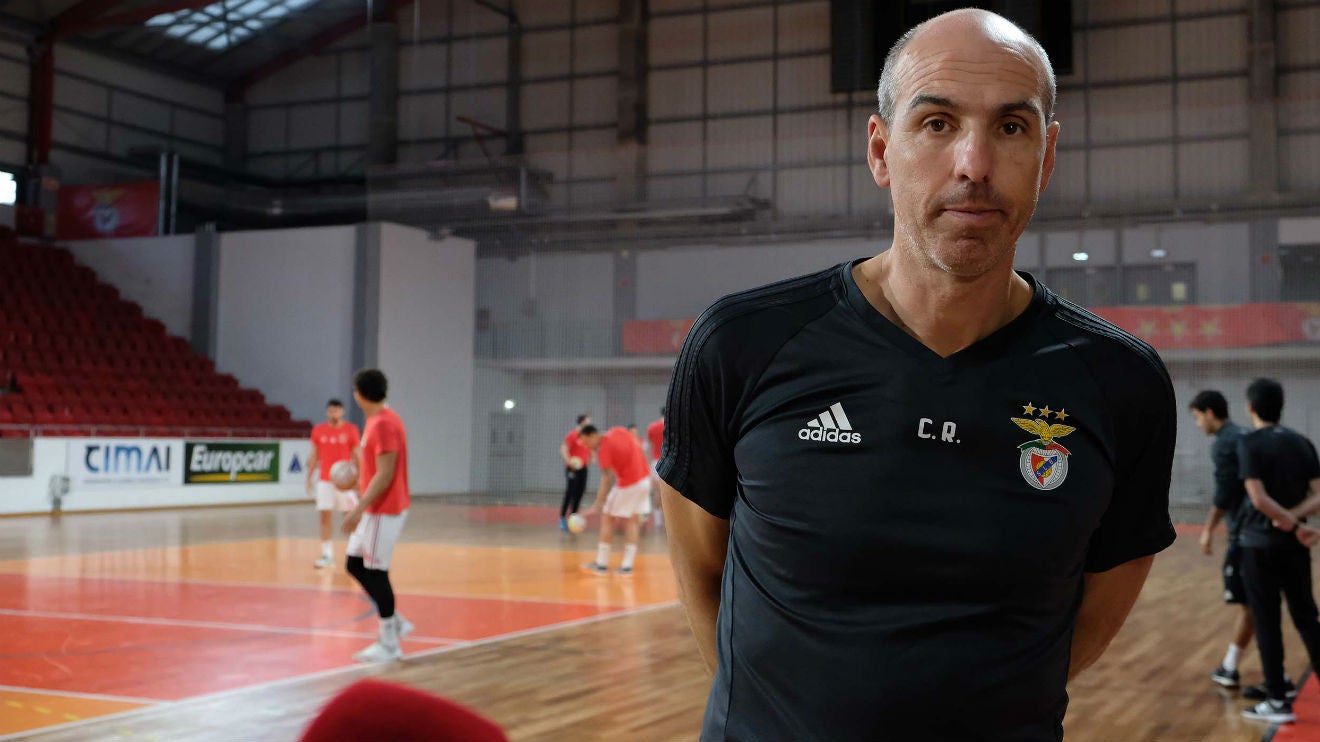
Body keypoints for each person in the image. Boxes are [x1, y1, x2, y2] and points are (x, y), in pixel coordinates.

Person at [656, 9, 1176, 741]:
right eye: (936, 124)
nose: (973, 164)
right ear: (880, 149)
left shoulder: (1121, 383)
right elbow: (700, 570)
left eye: (1011, 127)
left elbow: (1094, 613)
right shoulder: (741, 344)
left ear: (1048, 156)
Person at [1233, 378, 1320, 724]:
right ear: (1280, 407)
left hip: (1259, 547)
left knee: (1267, 622)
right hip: (1293, 548)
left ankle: (1277, 702)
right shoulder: (1302, 443)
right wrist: (1298, 521)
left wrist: (1290, 522)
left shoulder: (1249, 443)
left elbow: (1258, 499)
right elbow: (1318, 493)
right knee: (1306, 617)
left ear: (1251, 407)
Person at [342, 368, 413, 662]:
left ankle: (389, 643)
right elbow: (375, 469)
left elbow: (385, 475)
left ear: (359, 394)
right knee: (354, 564)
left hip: (384, 509)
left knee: (375, 572)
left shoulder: (383, 424)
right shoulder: (378, 419)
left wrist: (357, 509)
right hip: (376, 508)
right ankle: (395, 620)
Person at [1190, 390, 1256, 690]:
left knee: (1252, 605)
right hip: (1269, 532)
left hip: (1248, 535)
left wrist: (1208, 528)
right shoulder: (1251, 435)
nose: (1198, 424)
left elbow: (1224, 492)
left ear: (1209, 413)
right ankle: (1235, 666)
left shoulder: (1225, 443)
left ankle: (1233, 668)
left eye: (1196, 417)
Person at [578, 424, 650, 576]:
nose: (585, 446)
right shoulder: (618, 430)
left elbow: (606, 478)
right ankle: (626, 566)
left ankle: (602, 564)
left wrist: (597, 504)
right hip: (645, 480)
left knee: (607, 517)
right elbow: (639, 446)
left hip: (628, 484)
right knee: (633, 520)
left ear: (593, 435)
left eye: (585, 442)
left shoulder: (604, 450)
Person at [306, 398, 362, 568]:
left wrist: (360, 478)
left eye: (337, 410)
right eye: (331, 411)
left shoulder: (351, 430)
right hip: (325, 481)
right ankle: (327, 555)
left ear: (342, 412)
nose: (334, 413)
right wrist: (309, 477)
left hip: (344, 482)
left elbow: (358, 455)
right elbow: (314, 455)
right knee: (324, 516)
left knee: (352, 517)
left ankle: (358, 553)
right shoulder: (319, 430)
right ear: (327, 412)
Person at [559, 414, 593, 531]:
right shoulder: (573, 435)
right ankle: (562, 517)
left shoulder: (587, 437)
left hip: (583, 468)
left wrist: (590, 458)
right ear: (582, 422)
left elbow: (589, 450)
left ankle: (573, 517)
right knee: (570, 492)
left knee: (580, 492)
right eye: (588, 422)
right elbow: (563, 448)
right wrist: (569, 461)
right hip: (572, 468)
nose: (589, 424)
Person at [646, 408, 666, 530]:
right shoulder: (672, 425)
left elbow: (647, 446)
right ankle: (669, 523)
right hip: (670, 461)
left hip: (655, 462)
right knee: (671, 493)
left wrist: (648, 464)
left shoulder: (652, 427)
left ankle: (658, 522)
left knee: (657, 492)